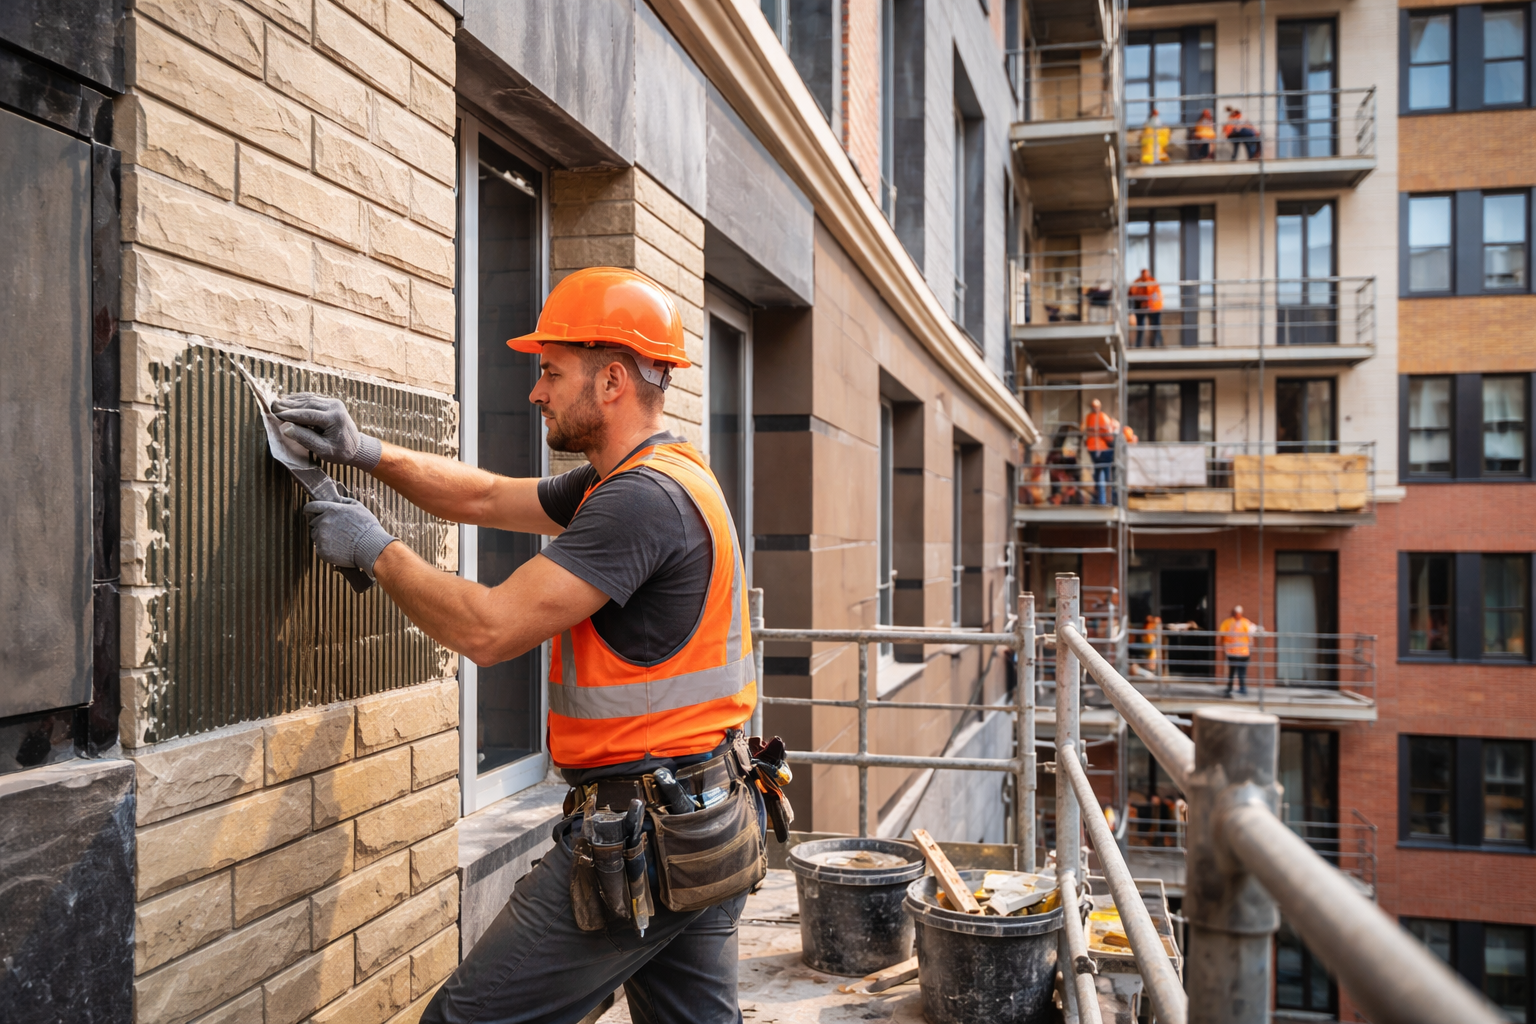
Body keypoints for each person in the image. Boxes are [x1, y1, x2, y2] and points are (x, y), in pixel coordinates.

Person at [270, 267, 768, 1024]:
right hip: (706, 821)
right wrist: (366, 451)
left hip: (649, 833)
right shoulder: (648, 477)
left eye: (550, 372)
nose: (535, 392)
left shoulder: (640, 501)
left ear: (610, 382)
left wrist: (376, 549)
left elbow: (488, 629)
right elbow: (484, 497)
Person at [1081, 399, 1119, 506]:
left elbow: (1084, 431)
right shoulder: (1103, 417)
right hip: (1103, 450)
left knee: (1098, 475)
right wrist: (1111, 441)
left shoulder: (1088, 417)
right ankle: (1108, 500)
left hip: (1093, 450)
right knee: (1107, 476)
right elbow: (1108, 435)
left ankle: (1099, 500)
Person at [1218, 604, 1260, 696]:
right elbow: (1253, 632)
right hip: (1239, 652)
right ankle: (1240, 689)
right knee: (1238, 672)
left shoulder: (1229, 622)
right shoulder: (1245, 622)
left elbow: (1222, 635)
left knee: (1236, 672)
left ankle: (1235, 688)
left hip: (1237, 652)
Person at [1129, 269, 1163, 348]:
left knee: (1156, 326)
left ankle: (1156, 345)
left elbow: (1156, 295)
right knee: (1140, 327)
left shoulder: (1153, 282)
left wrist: (1150, 304)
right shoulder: (1137, 282)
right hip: (1140, 306)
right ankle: (1138, 345)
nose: (1145, 276)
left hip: (1153, 307)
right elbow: (1132, 294)